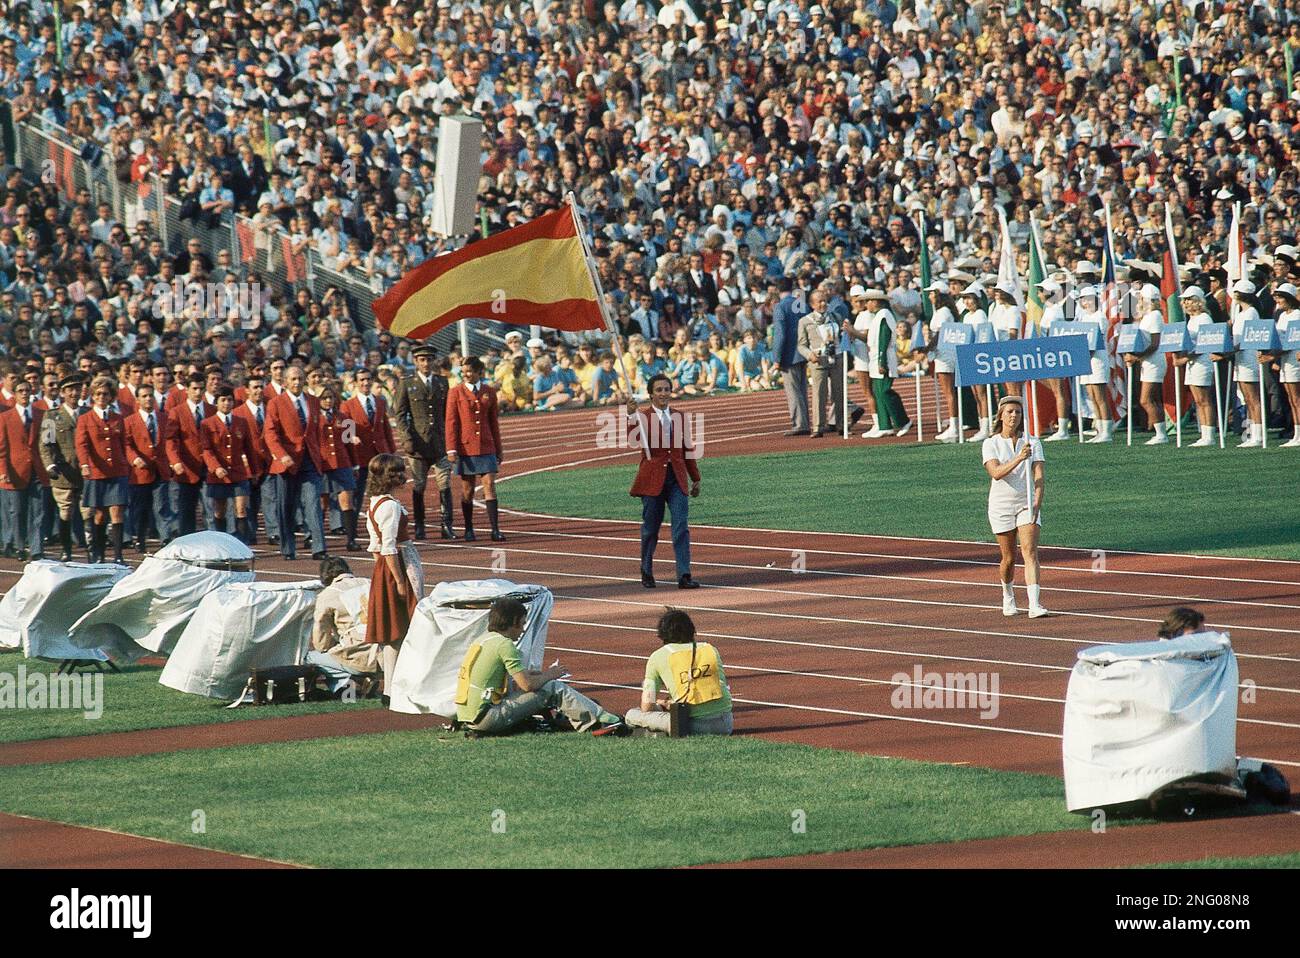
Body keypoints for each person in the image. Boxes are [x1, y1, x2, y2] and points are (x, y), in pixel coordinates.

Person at [454, 596, 625, 737]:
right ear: (513, 622)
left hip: (471, 717)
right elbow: (527, 685)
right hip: (488, 718)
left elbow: (493, 677)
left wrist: (530, 674)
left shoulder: (483, 639)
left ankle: (589, 716)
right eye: (522, 623)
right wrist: (550, 674)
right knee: (553, 687)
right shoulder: (504, 644)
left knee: (541, 684)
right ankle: (599, 722)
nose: (522, 630)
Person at [627, 373, 701, 589]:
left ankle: (684, 574)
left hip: (677, 479)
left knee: (681, 526)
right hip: (652, 480)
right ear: (651, 394)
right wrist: (631, 415)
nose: (663, 394)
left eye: (666, 389)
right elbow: (633, 440)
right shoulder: (643, 417)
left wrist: (695, 478)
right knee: (651, 528)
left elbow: (687, 449)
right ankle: (647, 569)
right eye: (659, 390)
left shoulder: (679, 416)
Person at [364, 453, 425, 697]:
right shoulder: (388, 506)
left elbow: (375, 546)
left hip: (385, 568)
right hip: (398, 564)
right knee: (407, 627)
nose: (403, 476)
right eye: (397, 472)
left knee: (394, 632)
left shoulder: (376, 501)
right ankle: (398, 685)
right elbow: (388, 546)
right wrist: (399, 581)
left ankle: (391, 687)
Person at [982, 395, 1047, 619]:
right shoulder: (991, 443)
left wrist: (1037, 502)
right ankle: (1008, 595)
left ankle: (1034, 604)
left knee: (1030, 553)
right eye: (1009, 412)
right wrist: (1020, 458)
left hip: (1026, 503)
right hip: (1001, 504)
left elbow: (1039, 475)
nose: (1014, 416)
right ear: (1000, 415)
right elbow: (996, 473)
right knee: (1009, 557)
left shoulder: (1032, 442)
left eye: (1018, 412)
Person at [624, 608, 734, 737]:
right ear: (692, 630)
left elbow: (647, 707)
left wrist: (663, 704)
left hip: (687, 726)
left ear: (661, 634)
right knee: (665, 709)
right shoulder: (710, 649)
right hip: (725, 724)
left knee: (633, 715)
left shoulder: (658, 656)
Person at [392, 343, 455, 540]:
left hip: (439, 443)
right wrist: (406, 439)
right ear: (415, 362)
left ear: (434, 361)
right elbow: (400, 414)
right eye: (422, 360)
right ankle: (419, 525)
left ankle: (447, 525)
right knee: (419, 486)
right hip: (417, 445)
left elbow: (448, 413)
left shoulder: (442, 383)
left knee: (444, 484)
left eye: (429, 359)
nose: (426, 363)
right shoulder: (407, 384)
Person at [264, 366, 327, 561]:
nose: (297, 382)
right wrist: (281, 455)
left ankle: (319, 548)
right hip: (287, 463)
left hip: (309, 461)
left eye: (300, 378)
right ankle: (288, 549)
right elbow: (270, 433)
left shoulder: (314, 402)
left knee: (313, 503)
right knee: (286, 507)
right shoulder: (276, 403)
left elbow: (317, 432)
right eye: (293, 379)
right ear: (285, 382)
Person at [445, 356, 505, 542]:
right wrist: (451, 449)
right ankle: (469, 528)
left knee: (489, 486)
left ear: (480, 372)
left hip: (487, 445)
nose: (466, 375)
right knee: (468, 490)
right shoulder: (455, 392)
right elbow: (451, 422)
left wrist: (499, 448)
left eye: (470, 371)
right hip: (466, 447)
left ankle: (495, 529)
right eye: (463, 372)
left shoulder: (489, 391)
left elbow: (493, 422)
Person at [75, 378, 131, 564]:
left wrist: (126, 464)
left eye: (105, 394)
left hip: (117, 471)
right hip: (97, 473)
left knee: (117, 512)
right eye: (98, 394)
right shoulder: (85, 419)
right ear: (92, 396)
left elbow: (123, 444)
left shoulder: (118, 418)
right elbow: (81, 445)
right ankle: (98, 553)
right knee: (99, 514)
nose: (101, 397)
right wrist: (84, 464)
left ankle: (117, 556)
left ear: (111, 396)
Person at [308, 556, 379, 696]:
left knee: (310, 657)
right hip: (386, 652)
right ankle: (361, 681)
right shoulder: (370, 583)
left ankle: (348, 686)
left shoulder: (326, 596)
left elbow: (321, 643)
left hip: (358, 655)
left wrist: (332, 644)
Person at [847, 288, 911, 438]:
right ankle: (884, 425)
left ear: (875, 301)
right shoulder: (878, 316)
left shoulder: (884, 315)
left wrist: (882, 362)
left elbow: (884, 338)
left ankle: (903, 420)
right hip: (875, 357)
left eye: (868, 300)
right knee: (878, 391)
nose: (866, 304)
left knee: (884, 391)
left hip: (884, 358)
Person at [40, 375, 87, 561]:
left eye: (77, 389)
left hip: (86, 472)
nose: (74, 393)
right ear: (62, 393)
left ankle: (92, 550)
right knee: (65, 512)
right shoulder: (51, 416)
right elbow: (46, 445)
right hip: (63, 473)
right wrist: (50, 465)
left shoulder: (88, 413)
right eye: (70, 390)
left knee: (89, 512)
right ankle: (66, 549)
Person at [0, 380, 48, 560]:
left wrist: (50, 466)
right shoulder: (5, 417)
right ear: (15, 394)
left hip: (37, 470)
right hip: (15, 471)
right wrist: (3, 471)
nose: (25, 394)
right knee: (18, 512)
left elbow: (49, 443)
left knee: (38, 512)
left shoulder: (44, 415)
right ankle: (20, 546)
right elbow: (2, 448)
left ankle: (36, 549)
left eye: (28, 390)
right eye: (21, 391)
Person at [123, 382, 173, 552]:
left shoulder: (164, 418)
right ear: (137, 399)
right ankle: (140, 538)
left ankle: (165, 538)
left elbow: (171, 441)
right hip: (140, 471)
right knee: (141, 509)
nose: (148, 399)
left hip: (160, 469)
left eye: (150, 395)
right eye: (144, 396)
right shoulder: (130, 421)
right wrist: (134, 458)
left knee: (161, 506)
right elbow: (126, 444)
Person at [1173, 287, 1221, 448]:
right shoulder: (1191, 319)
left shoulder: (1204, 318)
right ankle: (1204, 434)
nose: (1185, 303)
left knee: (1204, 399)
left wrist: (1184, 359)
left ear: (1198, 301)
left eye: (1189, 299)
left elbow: (1203, 344)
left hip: (1202, 362)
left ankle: (1209, 435)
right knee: (1198, 400)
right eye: (1184, 300)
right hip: (1192, 363)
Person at [1121, 284, 1168, 444]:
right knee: (1153, 399)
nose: (1139, 301)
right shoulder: (1147, 316)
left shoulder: (1155, 316)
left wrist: (1137, 357)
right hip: (1147, 362)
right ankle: (1161, 432)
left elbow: (1155, 344)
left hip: (1154, 361)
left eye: (1141, 298)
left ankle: (1160, 433)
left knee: (1145, 399)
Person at [797, 288, 846, 438]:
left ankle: (841, 424)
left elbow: (843, 336)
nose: (823, 304)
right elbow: (801, 345)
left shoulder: (835, 317)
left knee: (839, 393)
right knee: (819, 394)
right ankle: (818, 427)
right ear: (812, 304)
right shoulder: (805, 321)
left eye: (825, 301)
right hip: (818, 360)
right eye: (819, 301)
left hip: (836, 358)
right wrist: (809, 355)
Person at [317, 387, 359, 550]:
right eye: (324, 397)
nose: (328, 400)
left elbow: (350, 444)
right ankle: (317, 540)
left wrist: (354, 464)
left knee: (347, 502)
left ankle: (351, 540)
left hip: (342, 464)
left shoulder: (344, 418)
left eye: (331, 397)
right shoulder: (313, 419)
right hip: (323, 465)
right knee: (322, 503)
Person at [770, 279, 811, 435]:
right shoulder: (801, 304)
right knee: (802, 389)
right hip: (804, 351)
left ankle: (800, 424)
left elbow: (780, 334)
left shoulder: (780, 306)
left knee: (793, 391)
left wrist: (776, 358)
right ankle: (804, 422)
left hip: (789, 354)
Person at [1076, 285, 1115, 443]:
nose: (1085, 302)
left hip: (1097, 358)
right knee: (1091, 395)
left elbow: (1095, 340)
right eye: (1083, 300)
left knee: (1100, 396)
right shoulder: (1084, 318)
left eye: (1088, 299)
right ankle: (1099, 430)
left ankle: (1106, 431)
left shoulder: (1100, 317)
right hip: (1086, 359)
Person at [1273, 283, 1300, 447]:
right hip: (1284, 360)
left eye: (1280, 297)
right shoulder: (1282, 316)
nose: (1278, 300)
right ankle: (1296, 434)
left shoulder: (1297, 315)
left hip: (1295, 360)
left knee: (1297, 398)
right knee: (1291, 399)